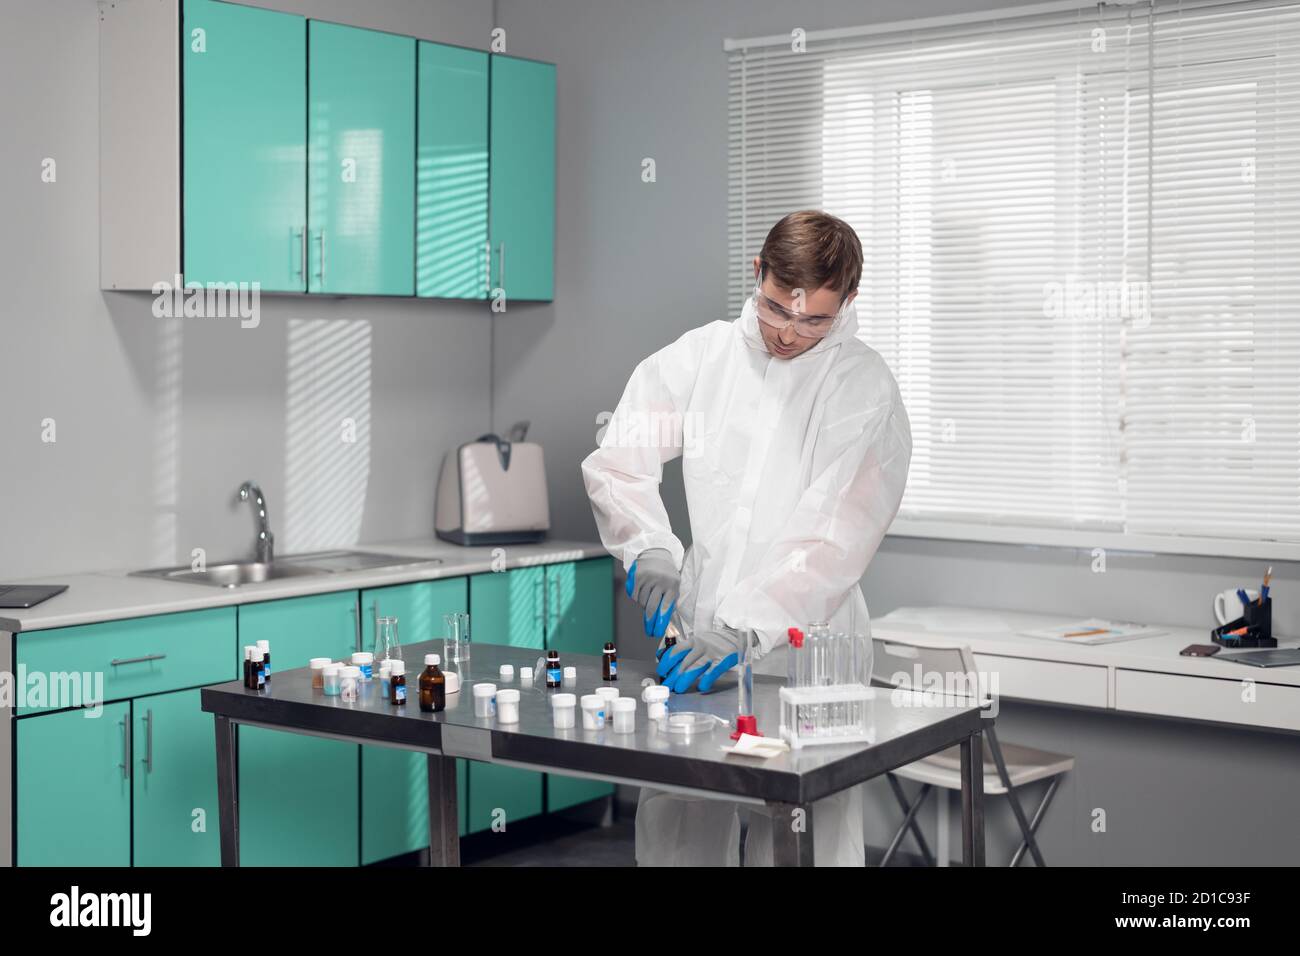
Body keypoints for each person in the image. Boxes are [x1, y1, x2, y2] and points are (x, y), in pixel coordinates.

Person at [582, 210, 912, 866]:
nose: (789, 333)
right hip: (697, 636)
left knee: (799, 830)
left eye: (813, 319)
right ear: (758, 274)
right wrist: (648, 546)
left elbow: (833, 539)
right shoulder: (703, 357)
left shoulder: (863, 389)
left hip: (806, 649)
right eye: (775, 310)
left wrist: (747, 627)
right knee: (682, 814)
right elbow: (621, 456)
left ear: (847, 302)